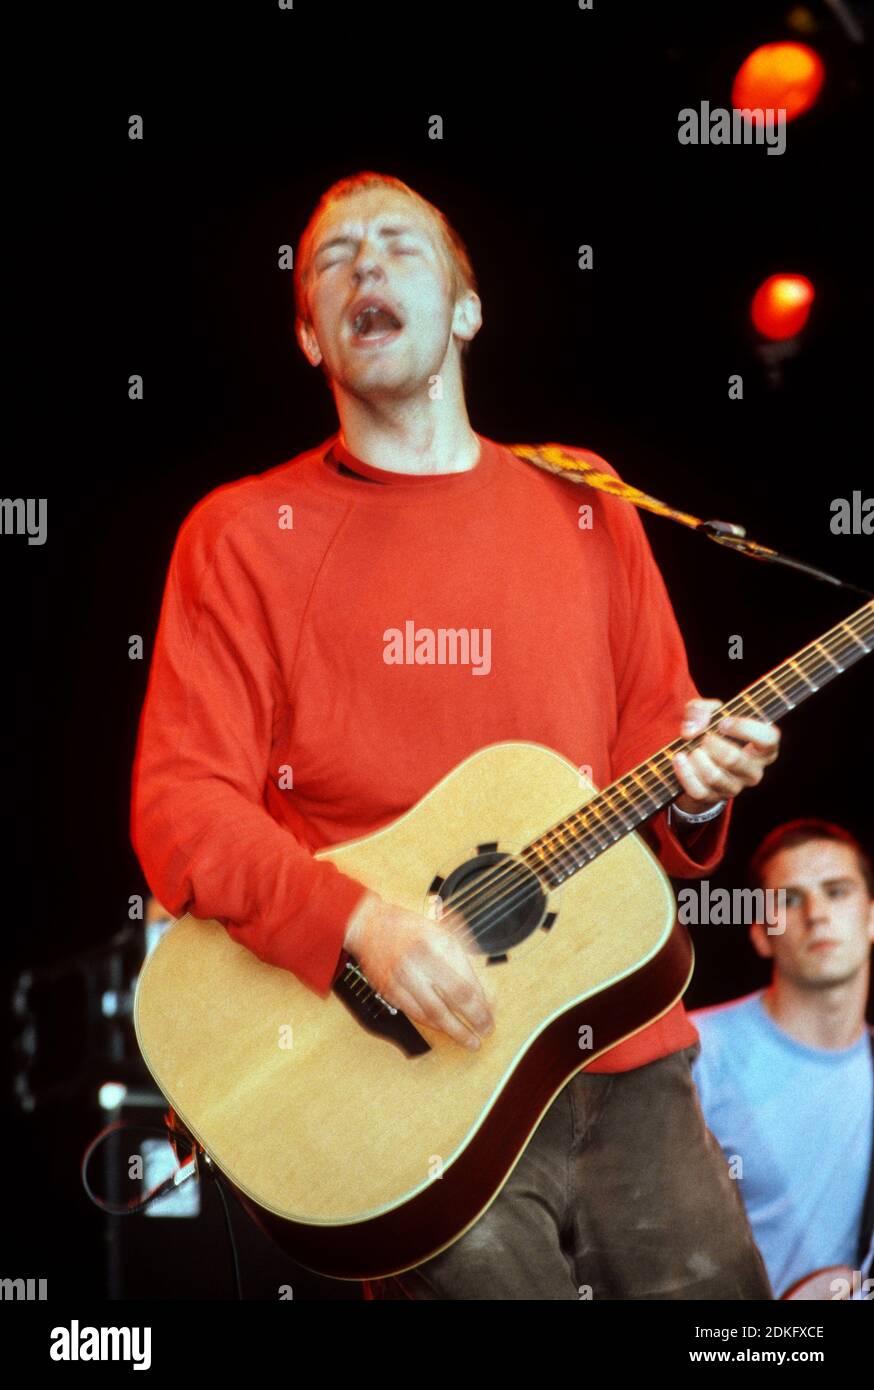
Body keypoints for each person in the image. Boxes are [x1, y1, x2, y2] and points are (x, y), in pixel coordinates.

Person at [131, 171, 782, 1299]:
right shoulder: (238, 535)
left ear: (467, 312)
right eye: (331, 260)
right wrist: (361, 927)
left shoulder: (589, 504)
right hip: (402, 1079)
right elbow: (180, 809)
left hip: (620, 1046)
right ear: (307, 336)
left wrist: (696, 791)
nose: (364, 269)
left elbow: (658, 785)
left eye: (398, 248)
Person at [690, 820, 874, 1299]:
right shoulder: (696, 1052)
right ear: (759, 934)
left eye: (837, 892)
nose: (817, 914)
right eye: (789, 900)